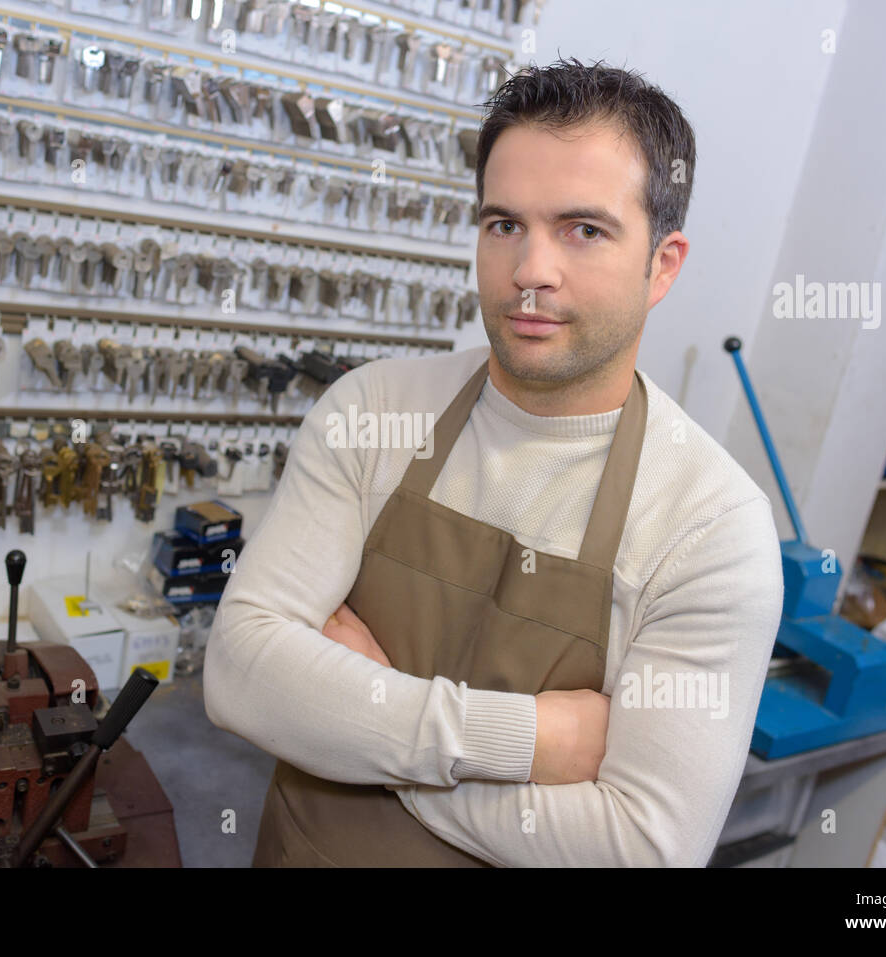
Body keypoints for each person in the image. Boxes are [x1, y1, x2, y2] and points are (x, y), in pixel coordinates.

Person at [204, 57, 784, 866]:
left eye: (583, 229)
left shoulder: (710, 529)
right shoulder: (373, 411)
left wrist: (364, 732)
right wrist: (529, 739)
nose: (529, 272)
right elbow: (239, 674)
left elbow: (641, 847)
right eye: (504, 224)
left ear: (663, 264)